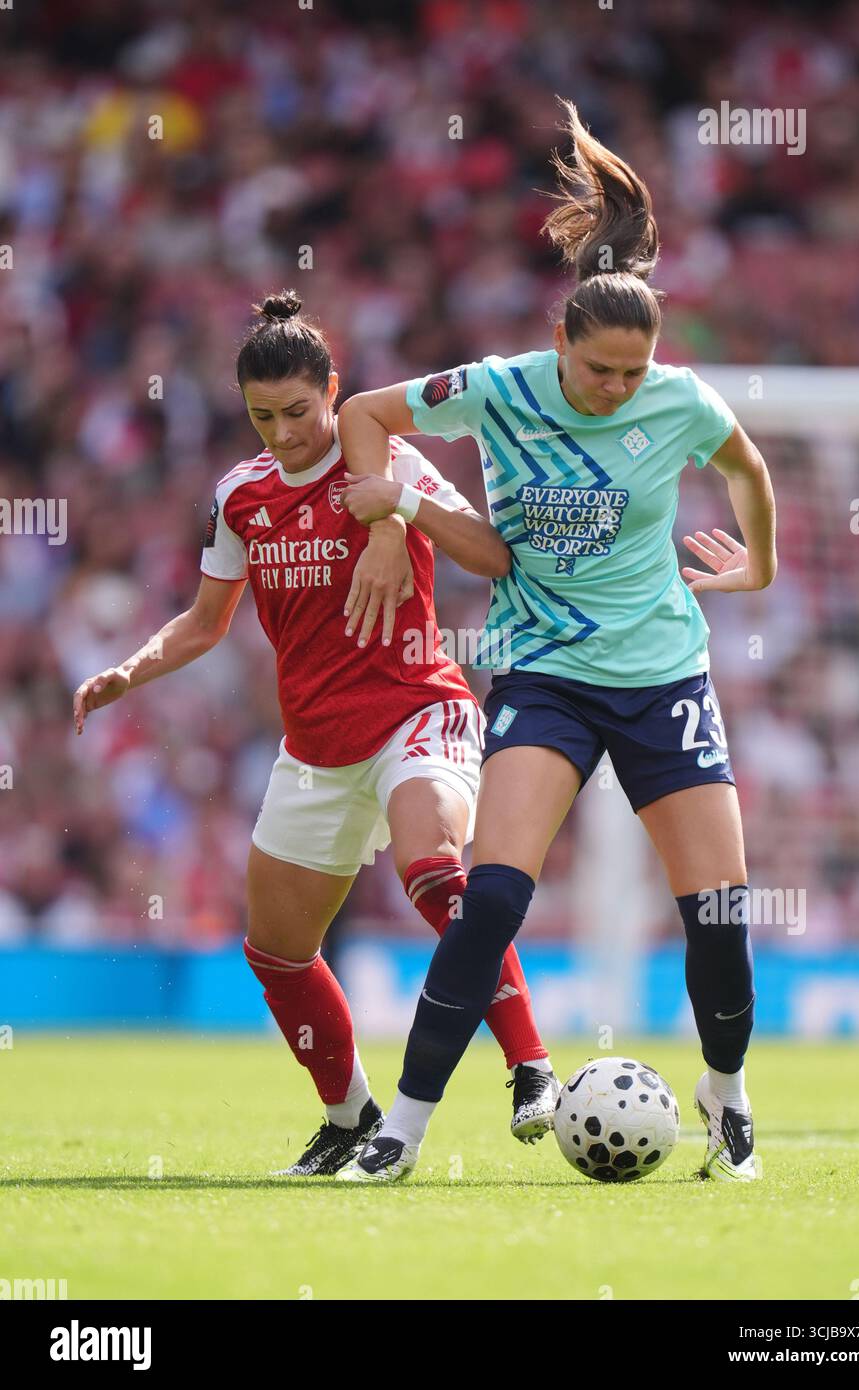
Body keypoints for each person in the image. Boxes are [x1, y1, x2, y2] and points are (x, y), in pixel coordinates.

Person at [332, 100, 777, 1184]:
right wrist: (391, 521)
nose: (617, 390)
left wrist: (755, 566)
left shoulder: (677, 401)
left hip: (664, 672)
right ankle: (404, 1127)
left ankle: (726, 1094)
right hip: (545, 674)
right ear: (562, 341)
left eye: (633, 375)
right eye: (599, 373)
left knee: (717, 914)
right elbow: (362, 420)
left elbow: (749, 472)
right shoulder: (497, 391)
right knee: (490, 899)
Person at [72, 291, 558, 1177]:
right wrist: (129, 670)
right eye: (263, 417)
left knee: (437, 874)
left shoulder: (390, 461)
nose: (284, 433)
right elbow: (203, 621)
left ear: (332, 389)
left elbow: (490, 555)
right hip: (315, 751)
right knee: (277, 952)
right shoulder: (240, 497)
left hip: (420, 710)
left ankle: (530, 1070)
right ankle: (347, 1116)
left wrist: (403, 508)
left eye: (298, 411)